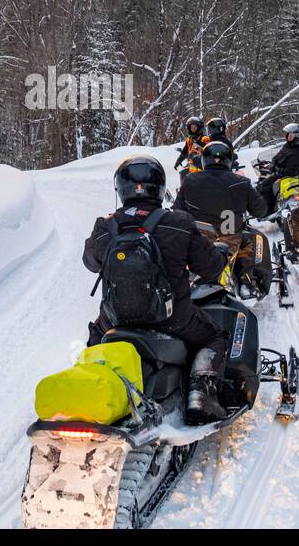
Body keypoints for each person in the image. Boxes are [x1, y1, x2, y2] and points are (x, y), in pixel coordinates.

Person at [83, 155, 232, 424]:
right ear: (160, 188)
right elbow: (210, 269)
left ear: (121, 188)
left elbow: (90, 263)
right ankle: (201, 394)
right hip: (172, 319)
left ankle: (91, 384)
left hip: (114, 319)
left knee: (96, 335)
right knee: (215, 337)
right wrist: (221, 254)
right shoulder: (179, 222)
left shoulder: (105, 226)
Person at [174, 140, 267, 275]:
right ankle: (246, 279)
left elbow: (177, 211)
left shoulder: (189, 180)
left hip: (199, 240)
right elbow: (261, 211)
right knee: (252, 242)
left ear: (204, 159)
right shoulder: (243, 182)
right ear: (228, 160)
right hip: (231, 240)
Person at [261, 123, 299, 216]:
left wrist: (277, 171)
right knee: (263, 179)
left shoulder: (298, 152)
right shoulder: (289, 146)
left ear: (297, 137)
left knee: (265, 185)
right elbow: (278, 156)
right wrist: (273, 163)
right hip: (280, 172)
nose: (288, 136)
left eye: (291, 135)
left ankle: (267, 211)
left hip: (288, 176)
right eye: (288, 134)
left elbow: (291, 171)